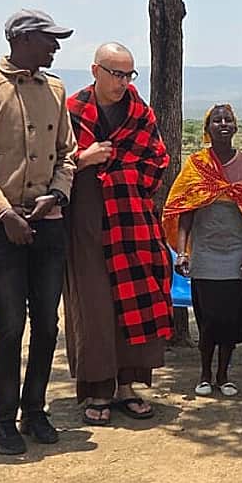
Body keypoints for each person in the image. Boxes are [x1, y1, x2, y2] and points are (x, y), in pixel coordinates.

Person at [0, 9, 77, 455]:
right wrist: (5, 214)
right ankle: (2, 421)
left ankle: (35, 410)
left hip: (48, 221)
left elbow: (68, 154)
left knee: (47, 323)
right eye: (49, 39)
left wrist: (56, 195)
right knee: (9, 324)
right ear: (22, 39)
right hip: (0, 226)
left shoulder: (55, 89)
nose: (55, 47)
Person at [64, 43, 176, 425]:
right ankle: (98, 389)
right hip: (87, 219)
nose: (122, 82)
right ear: (95, 71)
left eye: (129, 75)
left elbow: (157, 159)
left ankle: (127, 386)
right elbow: (52, 162)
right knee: (94, 305)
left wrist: (120, 177)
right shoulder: (71, 111)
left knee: (135, 298)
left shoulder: (140, 113)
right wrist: (83, 159)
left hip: (131, 218)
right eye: (115, 74)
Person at [164, 105, 242, 398]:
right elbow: (184, 211)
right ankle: (205, 374)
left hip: (238, 253)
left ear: (235, 126)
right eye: (216, 120)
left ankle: (224, 375)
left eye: (227, 119)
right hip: (205, 253)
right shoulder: (196, 165)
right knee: (207, 318)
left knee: (231, 318)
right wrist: (183, 252)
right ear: (208, 128)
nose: (223, 124)